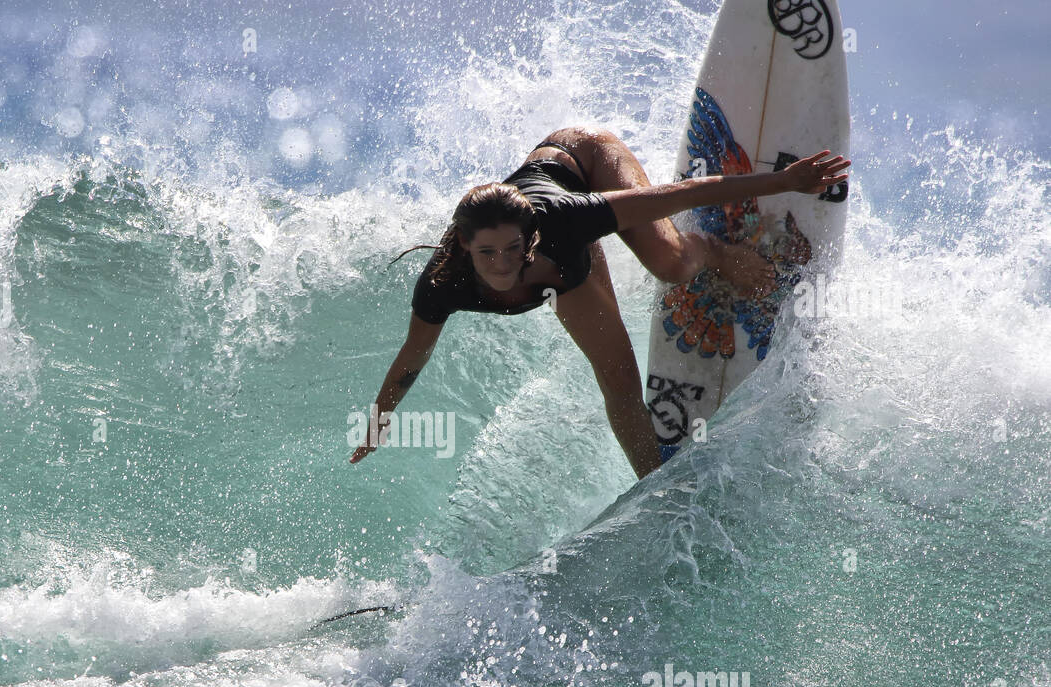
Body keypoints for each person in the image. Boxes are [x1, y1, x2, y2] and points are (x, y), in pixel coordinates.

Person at [349, 127, 850, 478]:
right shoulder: (444, 283)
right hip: (562, 256)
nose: (501, 264)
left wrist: (785, 181)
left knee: (669, 264)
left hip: (586, 157)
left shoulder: (565, 219)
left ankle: (715, 252)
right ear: (463, 246)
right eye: (486, 253)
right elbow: (412, 358)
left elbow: (680, 196)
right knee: (617, 380)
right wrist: (381, 417)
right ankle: (651, 486)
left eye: (512, 249)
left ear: (531, 237)